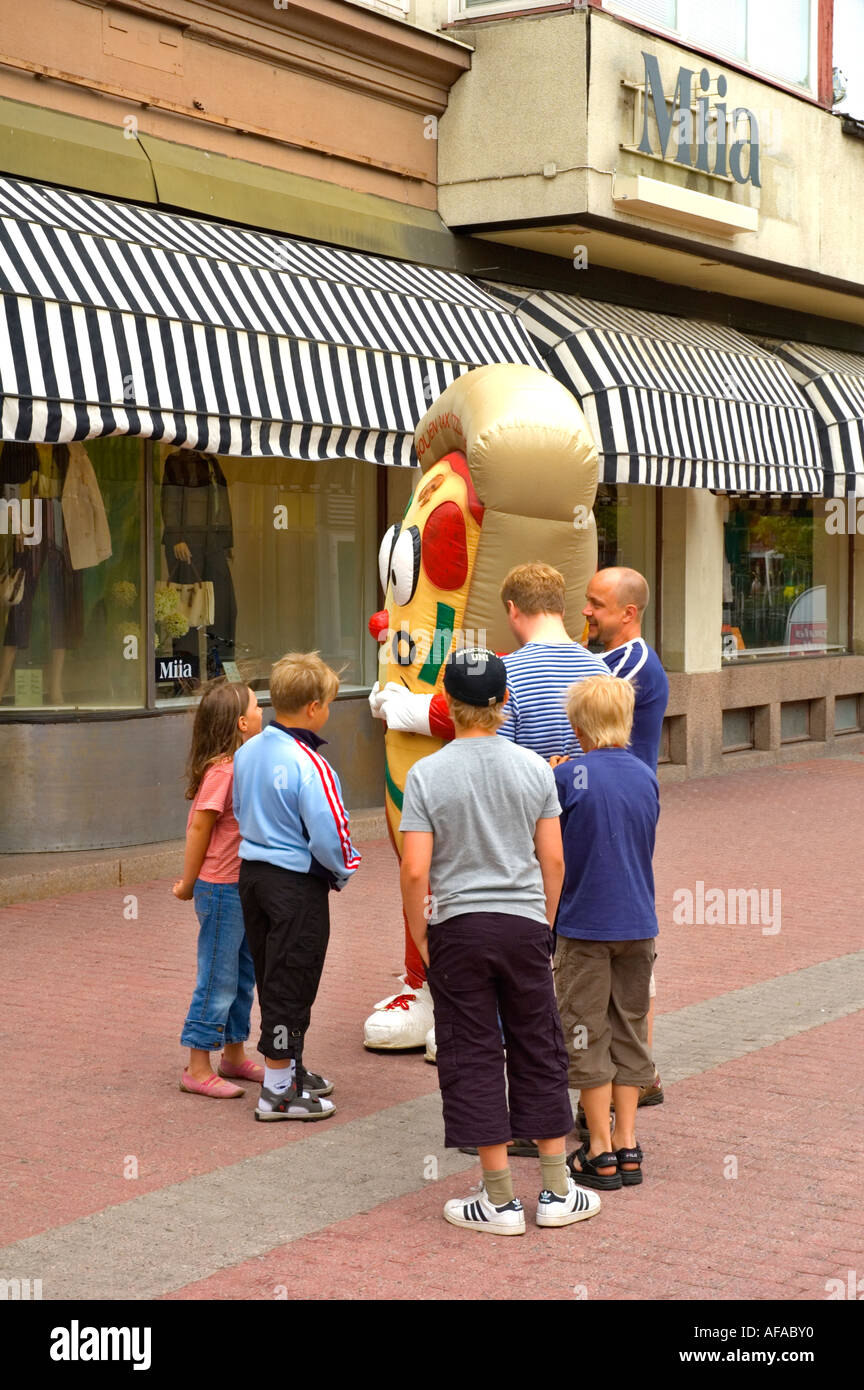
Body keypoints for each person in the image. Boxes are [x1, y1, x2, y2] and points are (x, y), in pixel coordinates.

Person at [399, 647, 602, 1234]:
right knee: (539, 1044)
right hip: (523, 924)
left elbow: (415, 871)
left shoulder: (426, 774)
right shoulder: (536, 768)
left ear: (448, 705)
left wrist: (423, 935)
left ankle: (499, 1200)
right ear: (504, 702)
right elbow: (554, 858)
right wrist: (545, 922)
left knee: (472, 1050)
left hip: (458, 927)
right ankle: (558, 1191)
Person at [233, 651, 360, 1121]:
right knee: (294, 981)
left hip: (253, 877)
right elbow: (329, 832)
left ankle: (288, 1066)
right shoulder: (311, 763)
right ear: (312, 708)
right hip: (295, 884)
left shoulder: (246, 752)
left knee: (273, 977)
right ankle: (278, 1091)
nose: (328, 710)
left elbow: (241, 807)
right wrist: (344, 869)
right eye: (327, 703)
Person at [553, 675, 659, 1190]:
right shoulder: (645, 775)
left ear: (577, 725)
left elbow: (552, 848)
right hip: (638, 923)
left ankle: (597, 1149)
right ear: (628, 721)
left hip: (585, 925)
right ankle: (628, 1143)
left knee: (584, 1029)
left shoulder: (569, 776)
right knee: (629, 1028)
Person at [582, 566, 669, 1105]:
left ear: (628, 614)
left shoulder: (630, 660)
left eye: (595, 604)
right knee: (627, 931)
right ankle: (641, 1074)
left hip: (618, 810)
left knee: (621, 934)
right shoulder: (611, 654)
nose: (586, 611)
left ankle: (638, 1075)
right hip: (612, 804)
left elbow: (575, 678)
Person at [174, 680, 265, 1099]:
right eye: (257, 706)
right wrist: (189, 882)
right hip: (220, 889)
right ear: (243, 723)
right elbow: (199, 828)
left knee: (244, 976)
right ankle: (197, 1065)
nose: (264, 711)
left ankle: (233, 1054)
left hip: (241, 888)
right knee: (218, 976)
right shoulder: (224, 771)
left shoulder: (244, 766)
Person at [498, 562, 608, 758]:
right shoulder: (601, 670)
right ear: (562, 610)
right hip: (588, 788)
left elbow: (502, 762)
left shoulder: (505, 673)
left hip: (533, 788)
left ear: (512, 609)